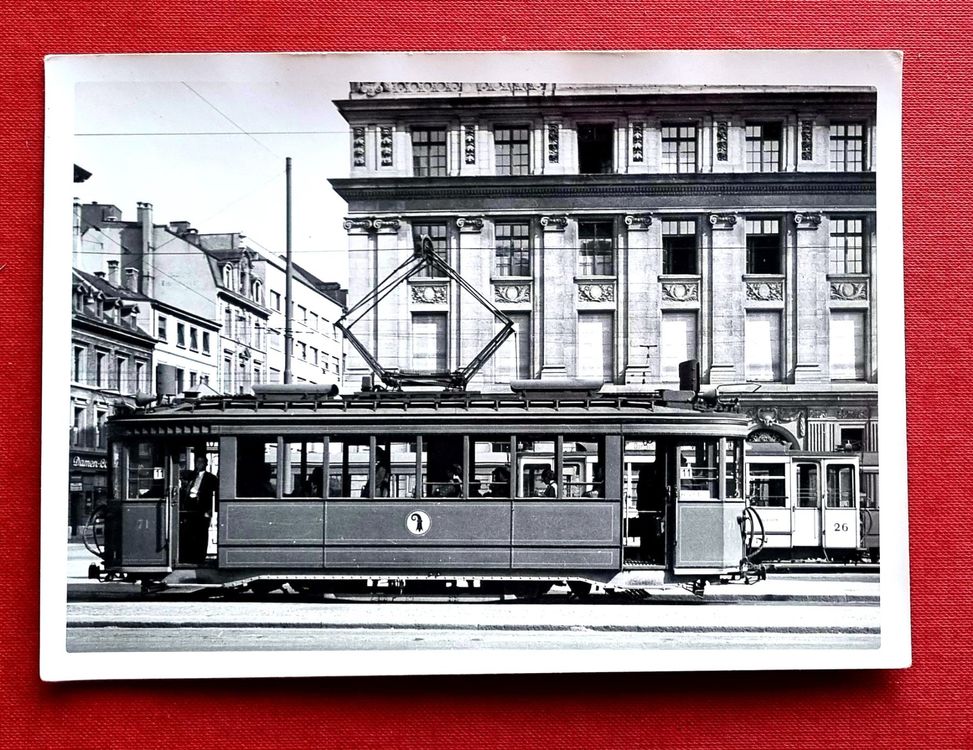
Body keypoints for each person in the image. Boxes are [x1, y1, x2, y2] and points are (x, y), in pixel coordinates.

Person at [180, 454, 218, 565]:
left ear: (206, 464)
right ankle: (190, 557)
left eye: (201, 462)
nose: (199, 464)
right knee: (190, 532)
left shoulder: (211, 478)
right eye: (197, 462)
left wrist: (210, 511)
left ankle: (200, 558)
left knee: (202, 533)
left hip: (203, 509)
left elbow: (216, 494)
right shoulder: (191, 476)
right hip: (190, 509)